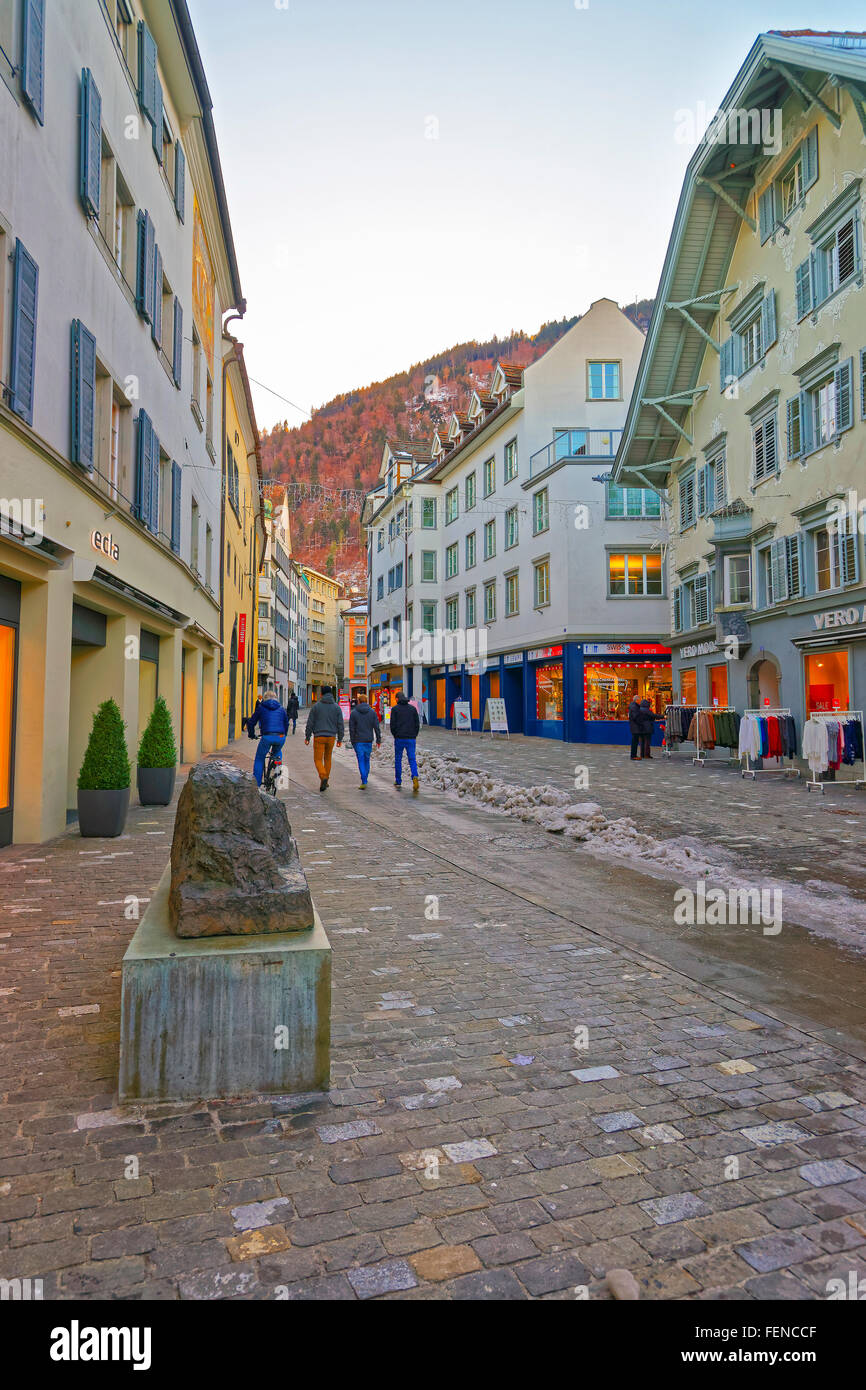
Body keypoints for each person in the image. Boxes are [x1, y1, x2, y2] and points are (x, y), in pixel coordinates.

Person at [247, 686, 290, 786]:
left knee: (260, 758)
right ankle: (278, 774)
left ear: (264, 698)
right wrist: (284, 735)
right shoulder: (281, 708)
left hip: (267, 736)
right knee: (277, 753)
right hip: (280, 737)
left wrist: (252, 734)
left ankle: (256, 785)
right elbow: (286, 724)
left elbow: (251, 723)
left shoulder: (261, 708)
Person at [305, 685, 344, 790]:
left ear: (321, 694)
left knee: (318, 759)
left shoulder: (316, 706)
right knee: (328, 758)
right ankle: (326, 779)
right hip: (331, 737)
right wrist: (340, 738)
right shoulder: (337, 707)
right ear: (331, 693)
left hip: (319, 736)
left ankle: (323, 776)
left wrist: (307, 737)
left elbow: (310, 723)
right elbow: (340, 724)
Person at [389, 691, 420, 792]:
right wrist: (414, 735)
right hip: (411, 738)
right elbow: (417, 724)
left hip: (399, 738)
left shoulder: (395, 709)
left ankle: (398, 780)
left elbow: (392, 725)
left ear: (397, 699)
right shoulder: (412, 709)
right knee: (412, 759)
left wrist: (395, 734)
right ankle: (415, 776)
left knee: (398, 759)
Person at [349, 693, 381, 789]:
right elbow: (376, 727)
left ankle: (364, 779)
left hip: (358, 740)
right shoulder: (372, 712)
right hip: (368, 740)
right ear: (367, 701)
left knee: (361, 760)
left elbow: (351, 728)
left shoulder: (354, 713)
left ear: (358, 701)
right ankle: (365, 778)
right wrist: (378, 739)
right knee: (367, 760)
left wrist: (352, 740)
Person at [628, 696, 643, 761]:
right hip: (635, 726)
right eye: (639, 700)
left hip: (634, 726)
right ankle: (633, 755)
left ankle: (634, 755)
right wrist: (640, 722)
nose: (640, 701)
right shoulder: (634, 707)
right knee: (635, 741)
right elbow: (635, 717)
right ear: (636, 700)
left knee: (635, 741)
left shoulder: (633, 706)